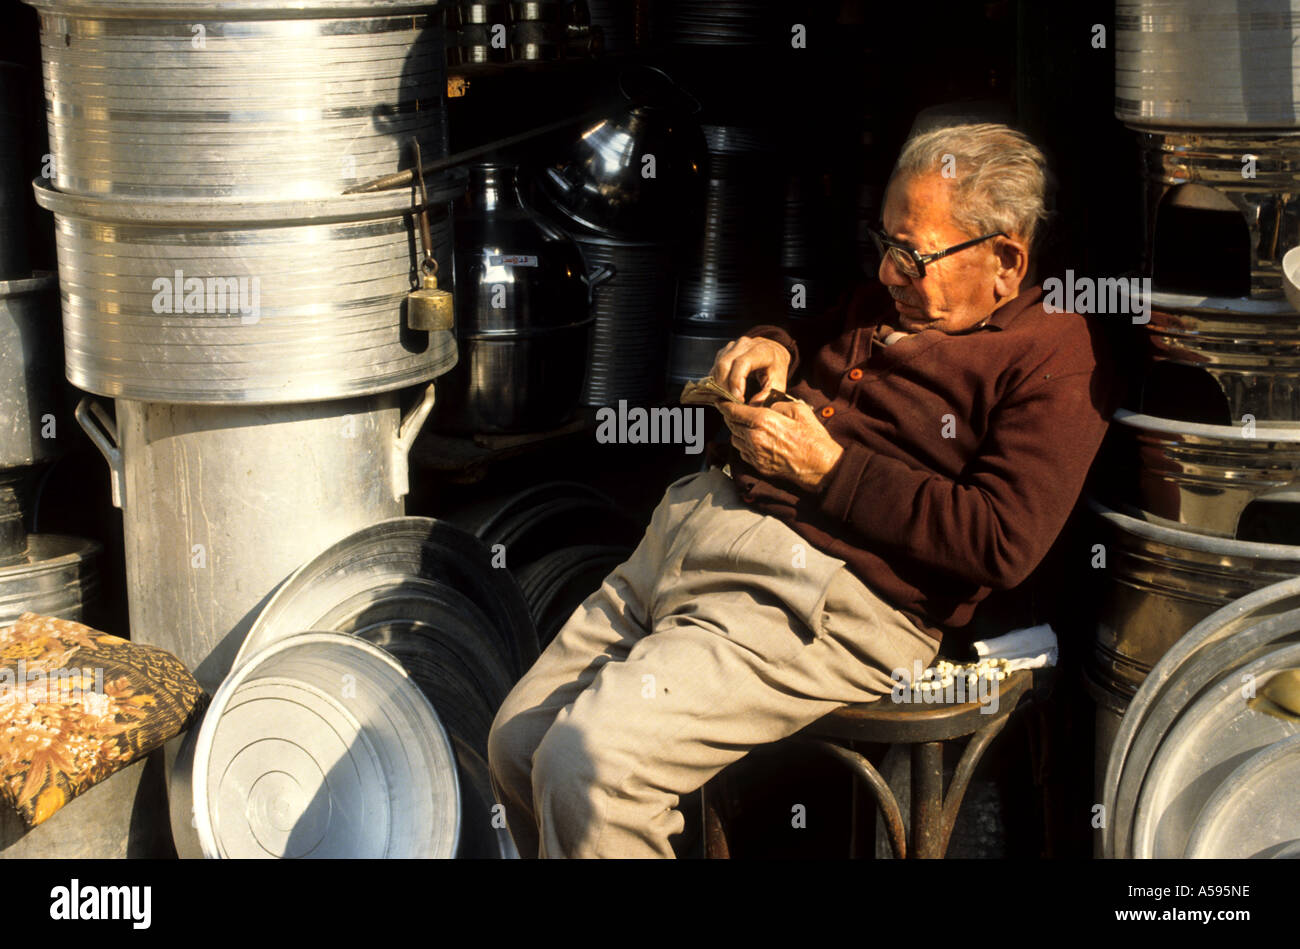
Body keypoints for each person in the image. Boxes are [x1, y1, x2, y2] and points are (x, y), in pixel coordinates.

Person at [487, 123, 1118, 858]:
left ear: (1006, 260)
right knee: (520, 742)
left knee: (591, 770)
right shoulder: (902, 302)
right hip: (692, 536)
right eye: (883, 245)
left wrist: (830, 471)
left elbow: (999, 541)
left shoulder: (1055, 356)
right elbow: (820, 332)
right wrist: (773, 342)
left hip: (815, 599)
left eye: (911, 255)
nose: (888, 274)